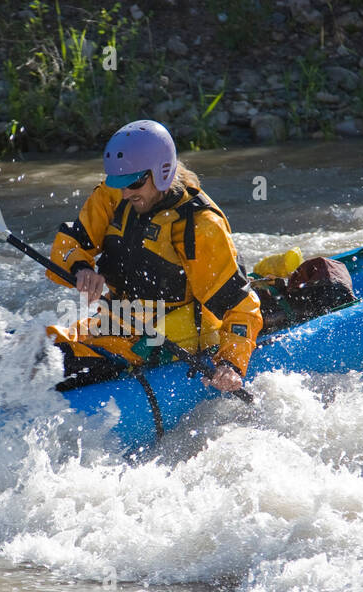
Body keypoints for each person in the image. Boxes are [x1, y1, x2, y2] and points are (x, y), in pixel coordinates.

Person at [46, 120, 261, 394]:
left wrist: (231, 362)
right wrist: (80, 268)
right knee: (35, 348)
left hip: (166, 334)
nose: (126, 192)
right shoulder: (117, 195)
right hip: (119, 322)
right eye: (119, 183)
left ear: (162, 171)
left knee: (59, 364)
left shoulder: (200, 225)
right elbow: (71, 241)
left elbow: (240, 305)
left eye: (133, 183)